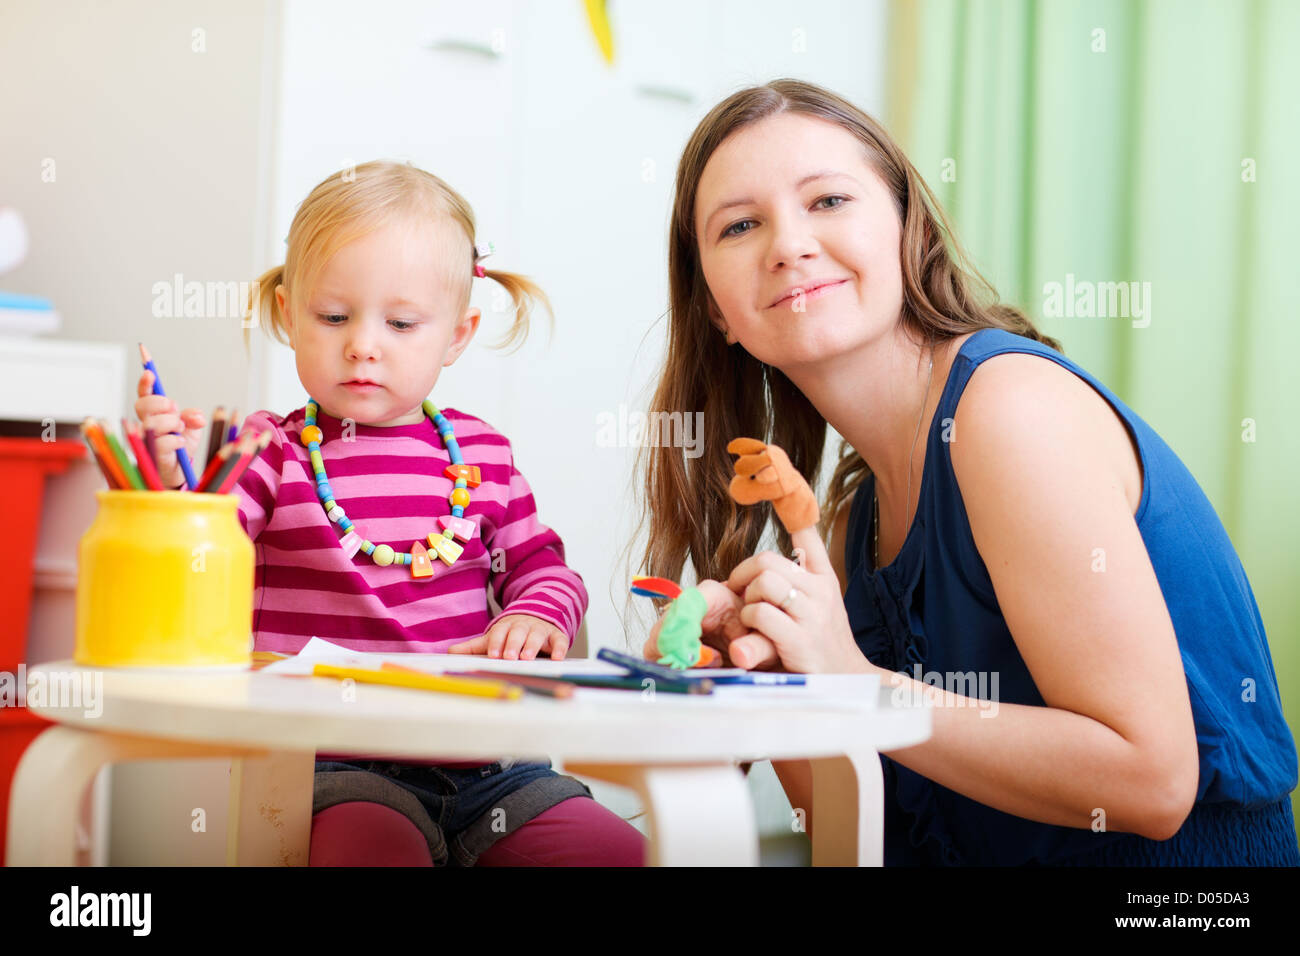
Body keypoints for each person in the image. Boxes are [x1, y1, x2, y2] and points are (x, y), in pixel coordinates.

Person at [638, 79, 1299, 865]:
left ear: (908, 231)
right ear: (716, 308)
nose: (788, 244)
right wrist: (781, 679)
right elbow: (865, 837)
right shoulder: (855, 523)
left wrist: (851, 679)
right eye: (741, 225)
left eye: (828, 201)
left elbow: (1151, 784)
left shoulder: (1008, 412)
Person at [136, 160, 644, 867]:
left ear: (457, 336)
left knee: (616, 852)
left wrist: (535, 615)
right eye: (333, 316)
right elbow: (198, 548)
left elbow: (545, 571)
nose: (363, 345)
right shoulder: (269, 451)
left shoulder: (484, 457)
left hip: (488, 765)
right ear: (288, 314)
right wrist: (172, 479)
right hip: (331, 769)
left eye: (402, 322)